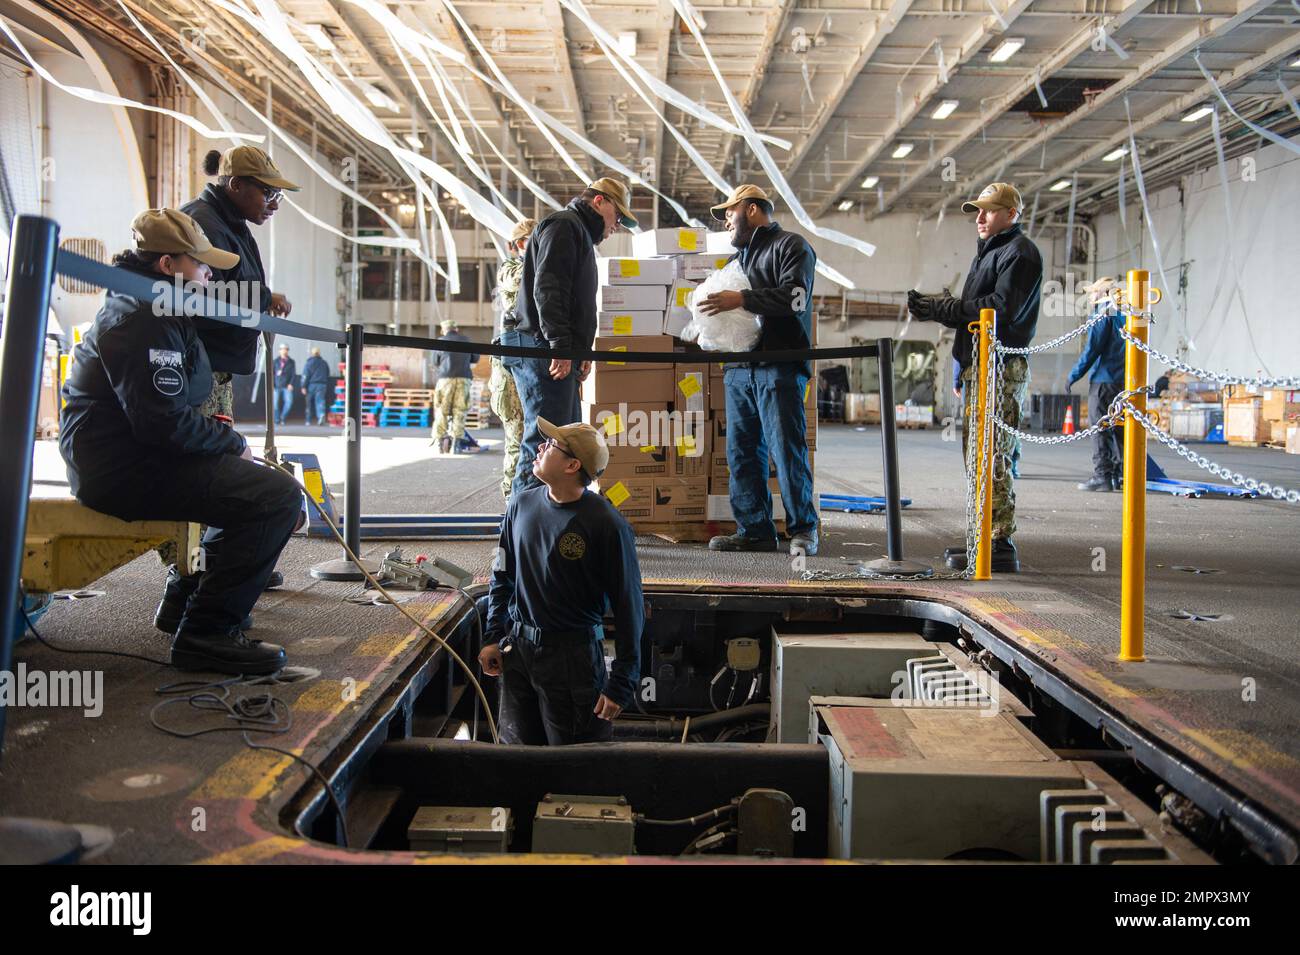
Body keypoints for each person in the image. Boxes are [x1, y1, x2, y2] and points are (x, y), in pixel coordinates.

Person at [59, 209, 302, 674]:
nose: (209, 272)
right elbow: (163, 424)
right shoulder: (144, 320)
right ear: (167, 265)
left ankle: (184, 604)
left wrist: (226, 442)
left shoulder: (158, 307)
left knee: (252, 487)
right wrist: (231, 445)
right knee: (276, 498)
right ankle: (206, 635)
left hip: (131, 456)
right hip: (122, 468)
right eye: (200, 263)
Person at [478, 418, 642, 745]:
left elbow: (629, 606)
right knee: (517, 759)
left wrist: (622, 682)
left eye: (551, 445)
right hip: (518, 653)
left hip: (573, 660)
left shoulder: (606, 524)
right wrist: (494, 634)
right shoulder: (521, 504)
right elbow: (503, 575)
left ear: (572, 465)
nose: (540, 447)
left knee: (573, 770)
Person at [908, 182, 1042, 573]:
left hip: (1000, 366)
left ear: (1011, 214)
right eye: (977, 211)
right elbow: (974, 314)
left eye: (989, 210)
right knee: (977, 454)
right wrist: (959, 359)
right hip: (979, 365)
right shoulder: (992, 252)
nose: (979, 218)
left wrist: (943, 308)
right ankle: (984, 532)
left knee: (992, 453)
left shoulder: (1020, 253)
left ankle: (998, 541)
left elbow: (1000, 309)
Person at [701, 184, 819, 557]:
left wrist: (743, 299)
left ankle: (803, 530)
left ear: (751, 210)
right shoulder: (737, 261)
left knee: (787, 450)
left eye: (729, 214)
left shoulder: (791, 247)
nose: (725, 223)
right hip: (740, 366)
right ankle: (754, 530)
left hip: (779, 365)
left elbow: (796, 297)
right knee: (742, 453)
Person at [502, 178, 637, 498]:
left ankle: (552, 525)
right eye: (617, 217)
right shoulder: (564, 226)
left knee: (563, 443)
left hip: (549, 346)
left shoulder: (576, 233)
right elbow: (549, 289)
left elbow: (572, 301)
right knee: (545, 445)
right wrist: (562, 346)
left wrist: (581, 353)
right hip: (541, 345)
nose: (616, 227)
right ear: (600, 201)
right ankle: (519, 538)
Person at [182, 146, 299, 417]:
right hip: (198, 368)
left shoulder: (230, 224)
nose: (274, 204)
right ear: (235, 184)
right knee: (206, 456)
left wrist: (263, 298)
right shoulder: (203, 224)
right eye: (268, 193)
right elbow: (200, 300)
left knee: (219, 452)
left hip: (214, 370)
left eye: (278, 196)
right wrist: (263, 298)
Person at [489, 218, 536, 499]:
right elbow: (522, 281)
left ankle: (525, 499)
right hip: (511, 365)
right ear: (520, 244)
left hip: (528, 359)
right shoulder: (512, 270)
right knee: (517, 438)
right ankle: (512, 501)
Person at [1069, 277, 1125, 492]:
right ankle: (1121, 475)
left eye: (1093, 293)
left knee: (1100, 428)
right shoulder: (1126, 312)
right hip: (1124, 382)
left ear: (1102, 293)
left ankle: (1103, 476)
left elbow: (1092, 348)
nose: (1090, 297)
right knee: (1120, 429)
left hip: (1104, 380)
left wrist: (1073, 375)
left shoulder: (1103, 312)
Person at [431, 318, 478, 455]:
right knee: (460, 411)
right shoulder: (467, 340)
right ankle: (456, 445)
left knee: (442, 411)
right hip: (464, 378)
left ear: (444, 330)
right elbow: (475, 358)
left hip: (445, 379)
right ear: (456, 329)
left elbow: (435, 361)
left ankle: (440, 443)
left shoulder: (440, 341)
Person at [301, 346, 332, 426]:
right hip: (322, 385)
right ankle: (321, 415)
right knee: (320, 401)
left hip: (311, 385)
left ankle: (308, 420)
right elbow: (327, 373)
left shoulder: (309, 363)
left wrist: (303, 386)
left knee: (309, 403)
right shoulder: (324, 363)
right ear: (319, 353)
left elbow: (305, 375)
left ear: (312, 353)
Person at [273, 343, 295, 425]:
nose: (284, 351)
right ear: (279, 351)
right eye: (282, 349)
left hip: (287, 385)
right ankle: (277, 419)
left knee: (289, 402)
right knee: (275, 404)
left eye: (286, 349)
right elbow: (271, 373)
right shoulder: (275, 361)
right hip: (276, 385)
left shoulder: (291, 362)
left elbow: (293, 374)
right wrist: (272, 384)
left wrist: (291, 384)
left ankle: (282, 417)